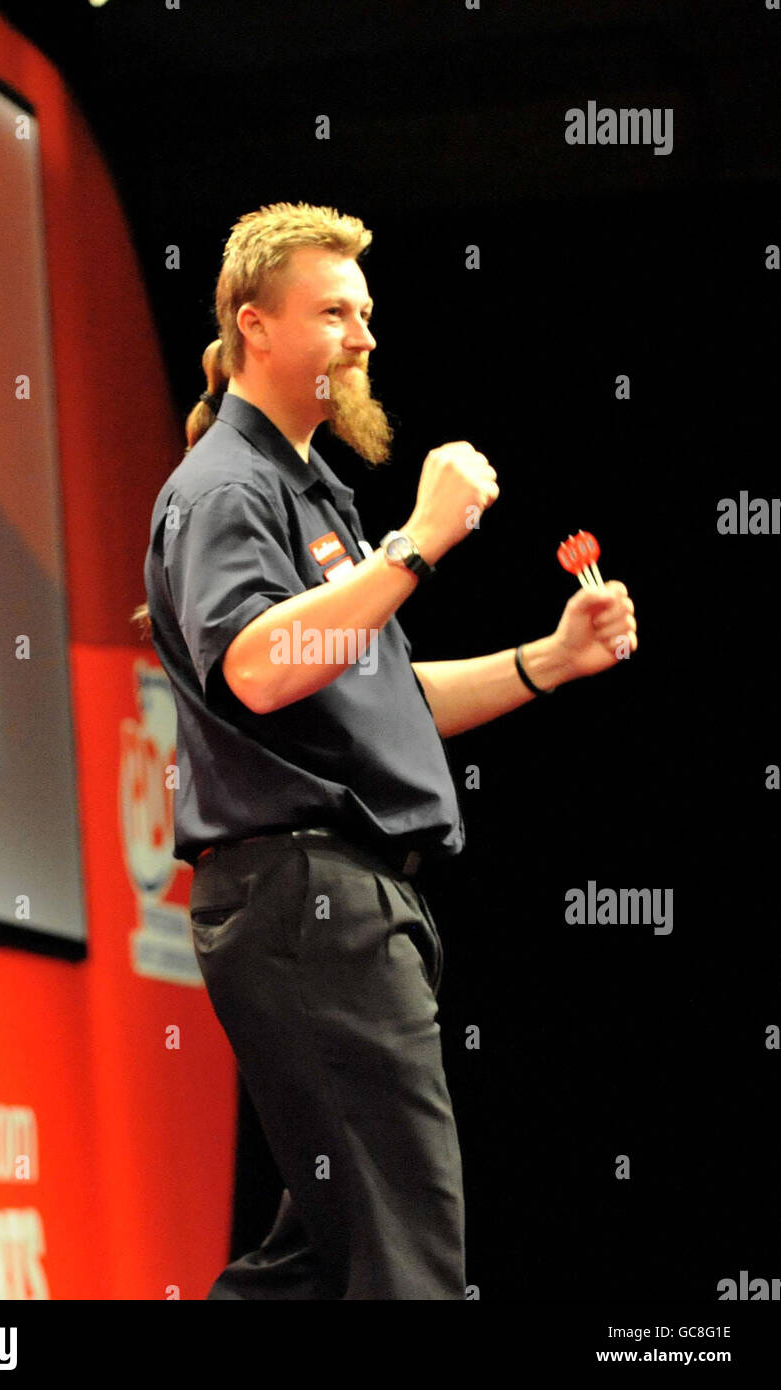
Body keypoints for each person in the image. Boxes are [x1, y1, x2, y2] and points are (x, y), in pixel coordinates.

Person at [137, 201, 637, 1299]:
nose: (365, 335)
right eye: (335, 311)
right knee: (406, 1260)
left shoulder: (312, 491)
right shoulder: (230, 486)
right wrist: (415, 543)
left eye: (367, 312)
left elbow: (380, 700)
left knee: (318, 1263)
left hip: (341, 905)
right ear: (254, 327)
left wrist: (544, 661)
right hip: (311, 902)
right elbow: (260, 667)